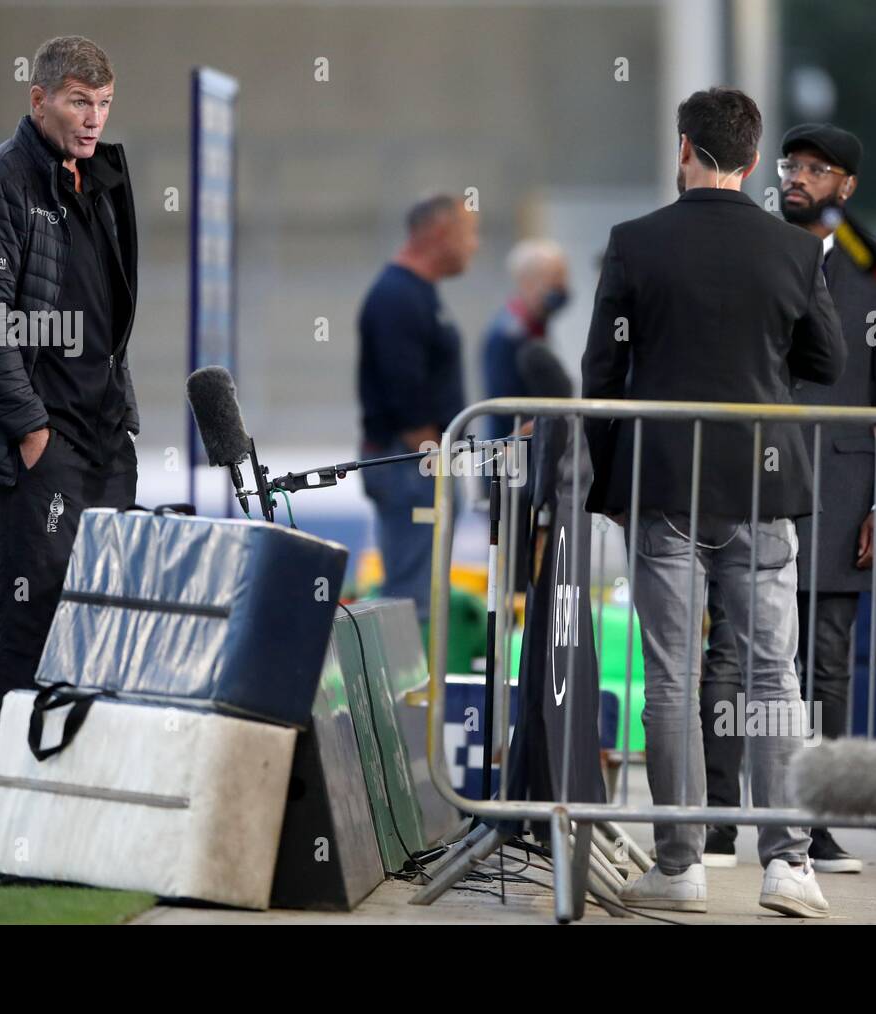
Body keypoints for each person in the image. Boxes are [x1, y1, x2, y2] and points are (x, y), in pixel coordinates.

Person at [582, 87, 845, 916]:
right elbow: (829, 361)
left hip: (664, 487)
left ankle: (681, 865)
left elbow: (600, 374)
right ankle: (788, 865)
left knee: (670, 678)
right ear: (756, 159)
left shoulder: (634, 243)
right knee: (775, 677)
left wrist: (609, 483)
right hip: (764, 487)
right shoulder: (796, 250)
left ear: (684, 148)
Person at [701, 124, 876, 874]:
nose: (797, 177)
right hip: (751, 485)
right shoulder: (750, 246)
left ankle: (812, 826)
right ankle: (717, 820)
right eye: (791, 165)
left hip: (843, 494)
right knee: (731, 653)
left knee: (827, 662)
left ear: (847, 186)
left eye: (816, 169)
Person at [0, 36, 141, 771]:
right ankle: (15, 779)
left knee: (106, 606)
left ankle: (84, 773)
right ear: (37, 98)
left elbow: (107, 316)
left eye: (103, 103)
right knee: (33, 610)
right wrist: (31, 431)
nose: (93, 118)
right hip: (45, 441)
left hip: (107, 436)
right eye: (79, 101)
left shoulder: (98, 180)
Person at [356, 193, 479, 624]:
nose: (474, 246)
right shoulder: (396, 297)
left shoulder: (417, 295)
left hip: (417, 465)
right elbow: (403, 392)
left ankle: (411, 690)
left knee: (420, 594)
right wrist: (432, 458)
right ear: (439, 233)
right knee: (411, 600)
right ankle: (404, 693)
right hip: (409, 465)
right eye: (469, 234)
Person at [482, 238, 570, 440]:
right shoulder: (508, 335)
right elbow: (505, 409)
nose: (562, 286)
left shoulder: (536, 328)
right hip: (513, 457)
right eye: (555, 278)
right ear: (527, 281)